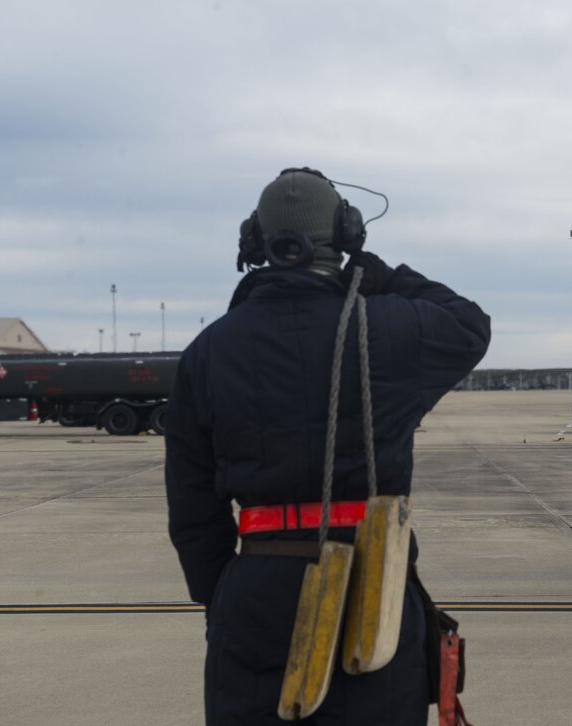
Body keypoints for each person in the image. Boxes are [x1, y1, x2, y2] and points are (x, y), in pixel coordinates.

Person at [164, 167, 490, 725]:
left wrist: (222, 596)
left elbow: (192, 506)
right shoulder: (388, 327)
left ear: (255, 243)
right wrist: (377, 273)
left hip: (256, 589)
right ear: (345, 233)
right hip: (375, 590)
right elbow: (468, 325)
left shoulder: (209, 350)